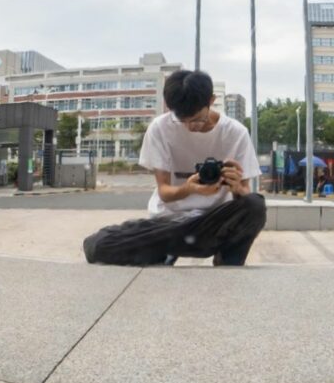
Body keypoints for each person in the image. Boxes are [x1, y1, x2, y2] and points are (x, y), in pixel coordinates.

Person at [83, 70, 266, 266]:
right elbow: (164, 192)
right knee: (100, 245)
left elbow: (245, 196)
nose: (190, 127)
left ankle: (226, 258)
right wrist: (189, 189)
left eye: (197, 119)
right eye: (182, 120)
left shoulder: (235, 133)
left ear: (211, 100)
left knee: (255, 205)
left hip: (211, 224)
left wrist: (238, 189)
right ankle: (162, 250)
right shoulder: (160, 127)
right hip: (170, 223)